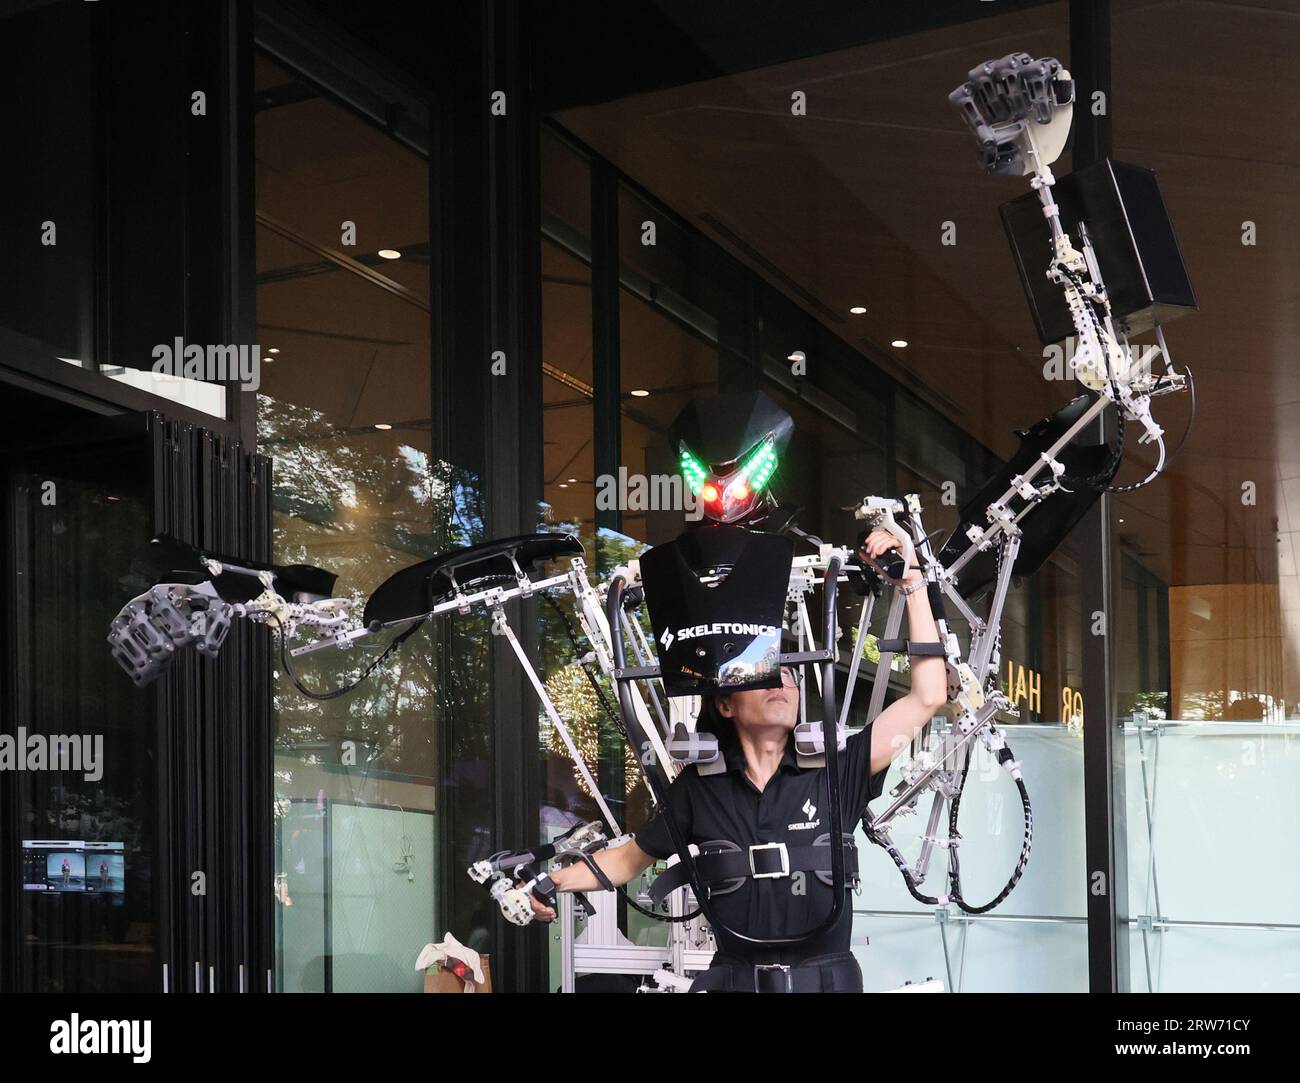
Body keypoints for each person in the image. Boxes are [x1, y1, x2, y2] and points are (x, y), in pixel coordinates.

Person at [532, 527, 947, 992]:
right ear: (725, 705)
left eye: (790, 675)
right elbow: (628, 861)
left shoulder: (839, 770)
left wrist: (911, 579)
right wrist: (553, 883)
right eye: (766, 672)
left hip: (827, 981)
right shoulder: (699, 789)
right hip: (734, 981)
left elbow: (929, 696)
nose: (781, 683)